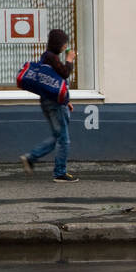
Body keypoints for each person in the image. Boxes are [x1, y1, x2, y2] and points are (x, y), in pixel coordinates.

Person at [20, 28, 78, 182]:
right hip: (55, 104)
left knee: (58, 136)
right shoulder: (51, 57)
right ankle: (60, 173)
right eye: (64, 44)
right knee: (64, 139)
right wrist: (70, 59)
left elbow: (55, 83)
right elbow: (64, 74)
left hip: (50, 101)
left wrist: (67, 100)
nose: (66, 47)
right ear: (59, 44)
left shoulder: (48, 57)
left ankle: (31, 157)